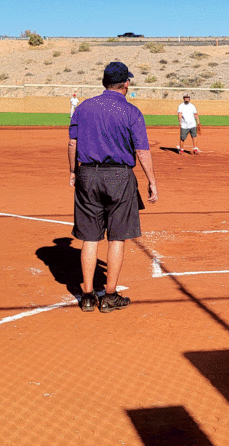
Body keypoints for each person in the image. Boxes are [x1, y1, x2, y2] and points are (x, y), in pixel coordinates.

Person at [68, 61, 159, 313]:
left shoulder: (84, 107)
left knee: (89, 237)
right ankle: (109, 296)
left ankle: (87, 296)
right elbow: (142, 150)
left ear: (104, 82)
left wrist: (73, 172)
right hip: (120, 177)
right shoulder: (131, 112)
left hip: (87, 174)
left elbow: (72, 144)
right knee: (117, 237)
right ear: (126, 83)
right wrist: (152, 181)